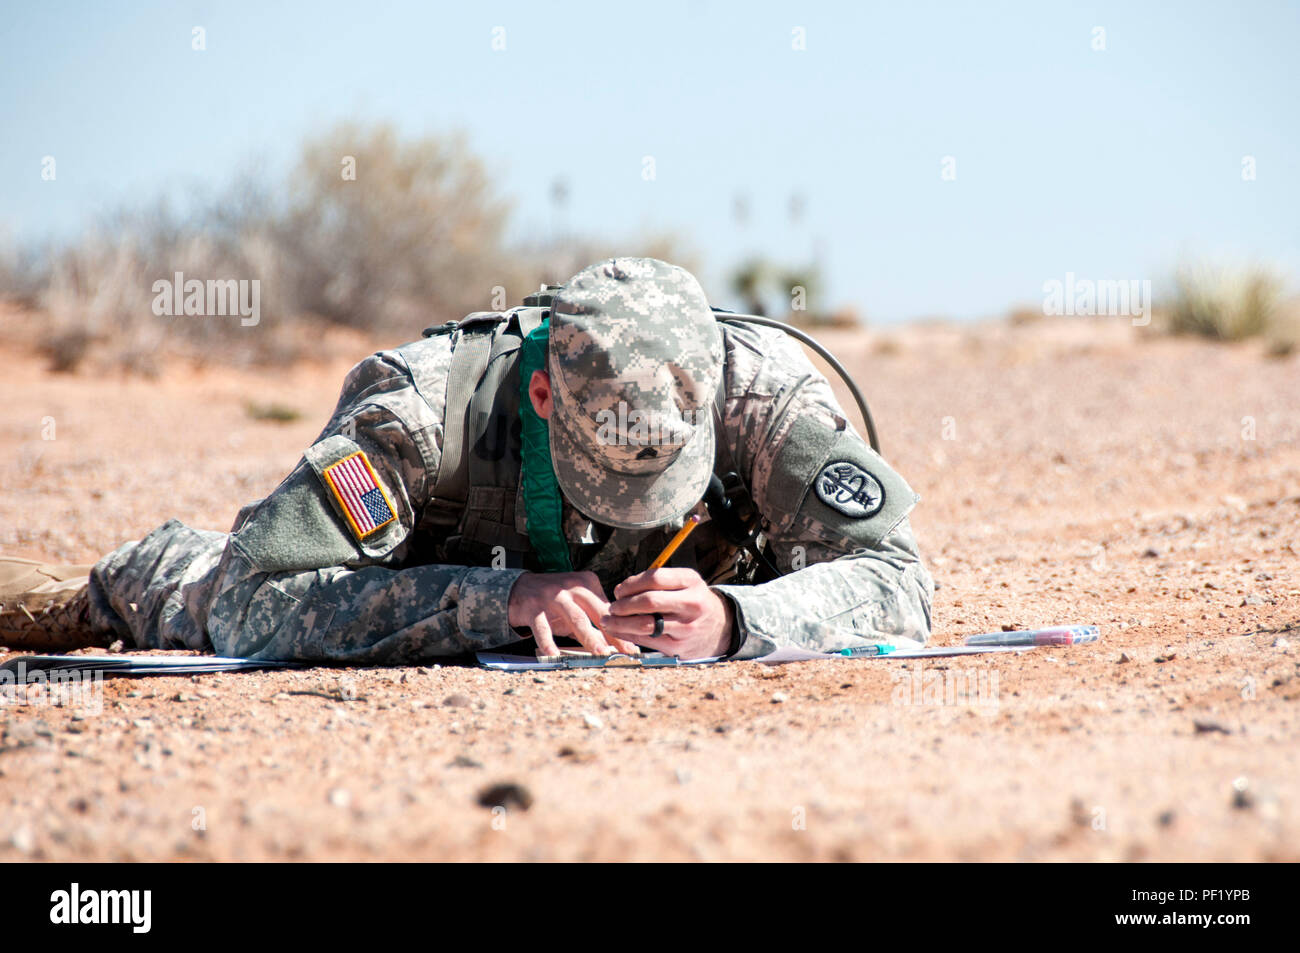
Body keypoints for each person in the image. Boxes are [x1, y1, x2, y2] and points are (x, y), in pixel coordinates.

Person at [0, 258, 933, 663]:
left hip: (690, 612)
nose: (638, 506)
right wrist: (493, 601)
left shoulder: (764, 393)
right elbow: (255, 597)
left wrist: (736, 617)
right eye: (613, 475)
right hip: (419, 573)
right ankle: (80, 594)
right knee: (187, 590)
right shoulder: (419, 410)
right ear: (540, 396)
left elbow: (900, 579)